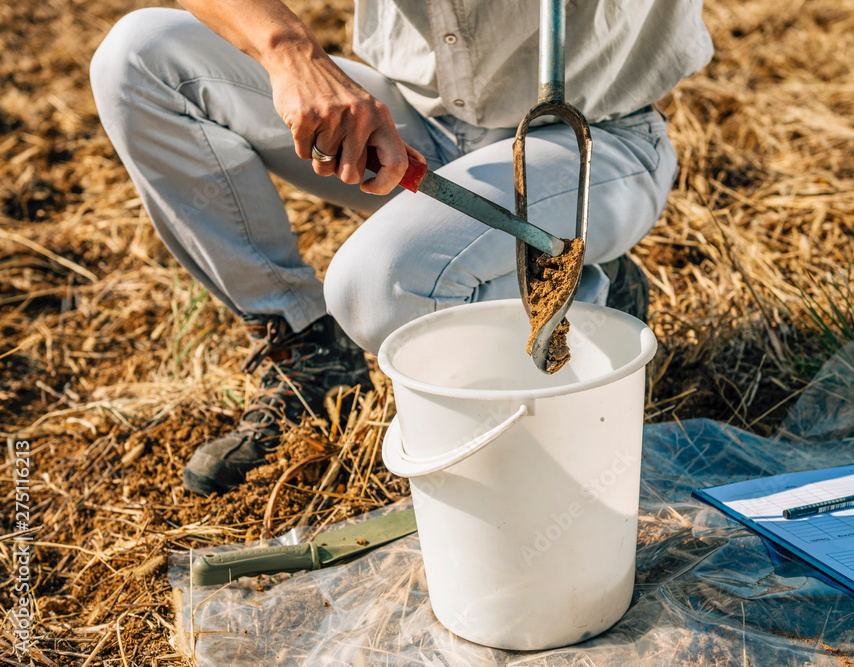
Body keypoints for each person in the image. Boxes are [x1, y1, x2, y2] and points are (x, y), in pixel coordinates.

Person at [89, 0, 713, 496]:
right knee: (139, 56)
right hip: (409, 121)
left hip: (587, 140)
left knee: (376, 289)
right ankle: (308, 348)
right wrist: (288, 52)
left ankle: (583, 290)